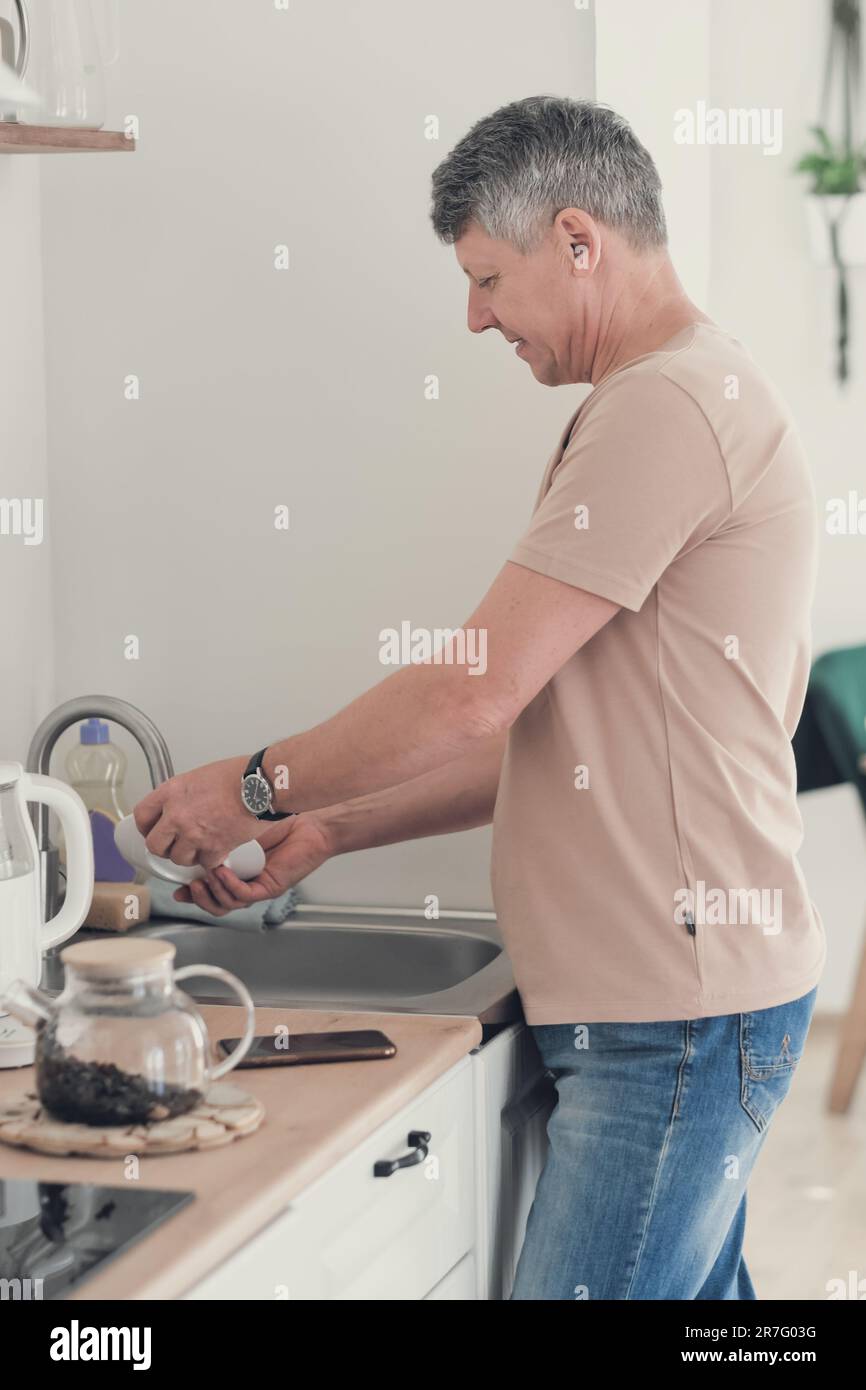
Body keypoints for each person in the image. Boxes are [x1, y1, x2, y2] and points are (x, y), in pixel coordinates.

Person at [133, 96, 825, 1300]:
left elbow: (471, 690)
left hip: (671, 1018)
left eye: (486, 278)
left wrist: (249, 788)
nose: (473, 316)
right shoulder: (669, 397)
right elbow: (550, 739)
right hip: (677, 1006)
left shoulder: (663, 405)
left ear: (575, 239)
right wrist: (334, 826)